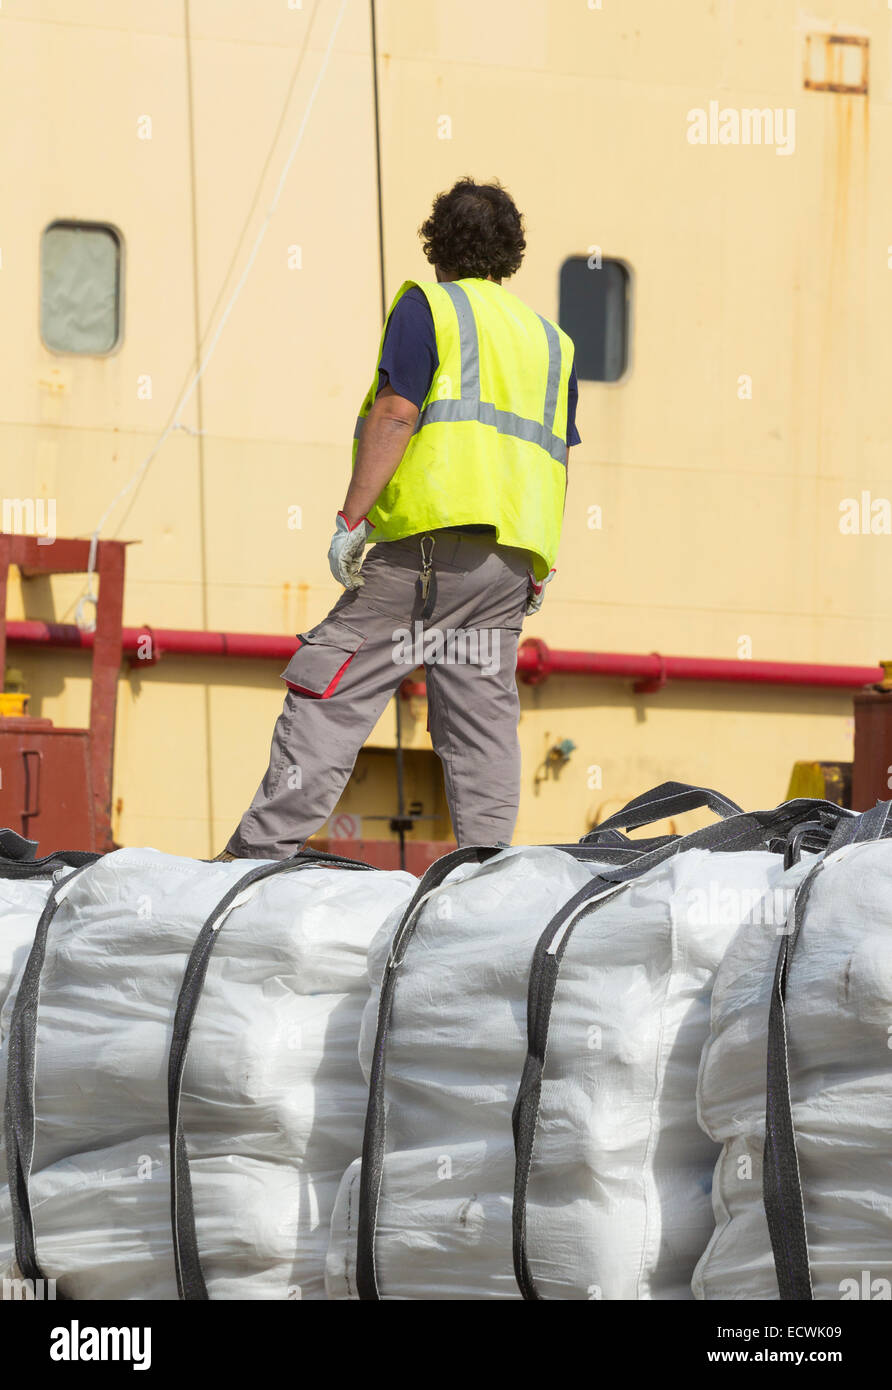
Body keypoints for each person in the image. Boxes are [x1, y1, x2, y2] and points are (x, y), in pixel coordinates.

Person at [219, 177, 581, 859]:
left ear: (436, 246)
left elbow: (397, 412)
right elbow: (554, 457)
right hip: (507, 569)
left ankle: (254, 861)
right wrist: (540, 563)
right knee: (482, 722)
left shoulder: (430, 309)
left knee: (333, 685)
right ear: (511, 254)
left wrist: (353, 517)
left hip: (422, 556)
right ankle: (487, 874)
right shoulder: (550, 343)